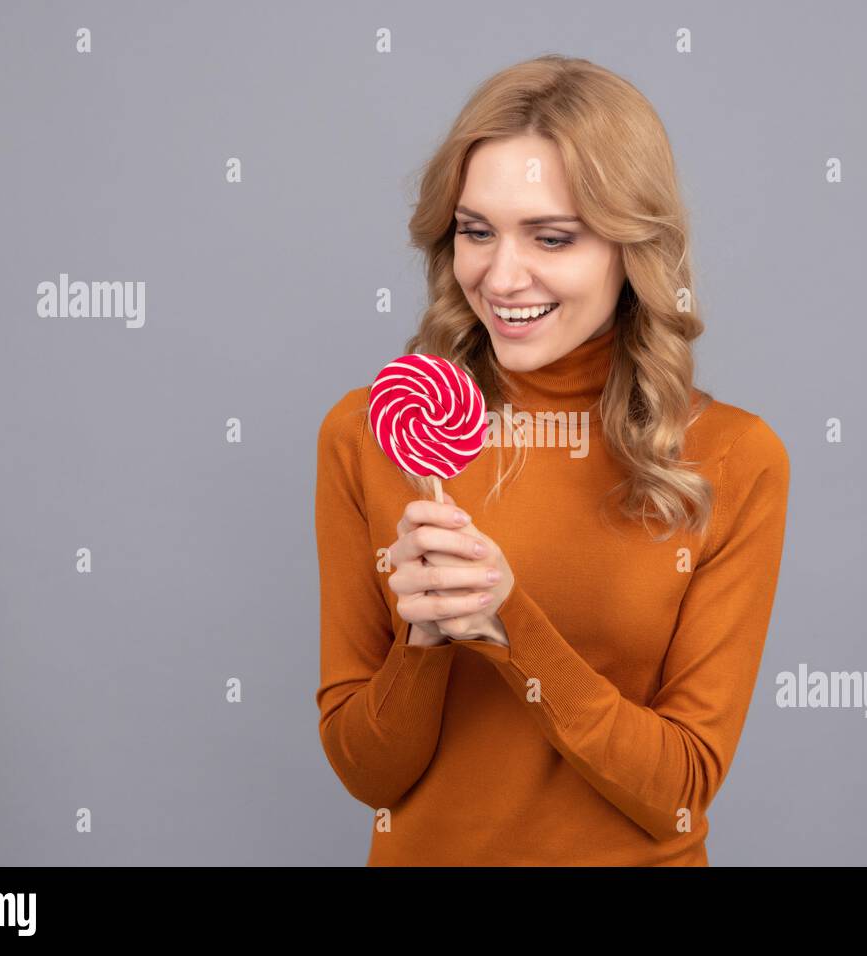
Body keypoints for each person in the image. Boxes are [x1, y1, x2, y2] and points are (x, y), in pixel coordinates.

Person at [315, 54, 790, 866]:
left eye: (553, 236)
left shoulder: (731, 458)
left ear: (629, 248)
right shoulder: (372, 434)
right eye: (476, 231)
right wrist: (422, 642)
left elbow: (678, 789)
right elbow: (368, 773)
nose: (501, 277)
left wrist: (509, 622)